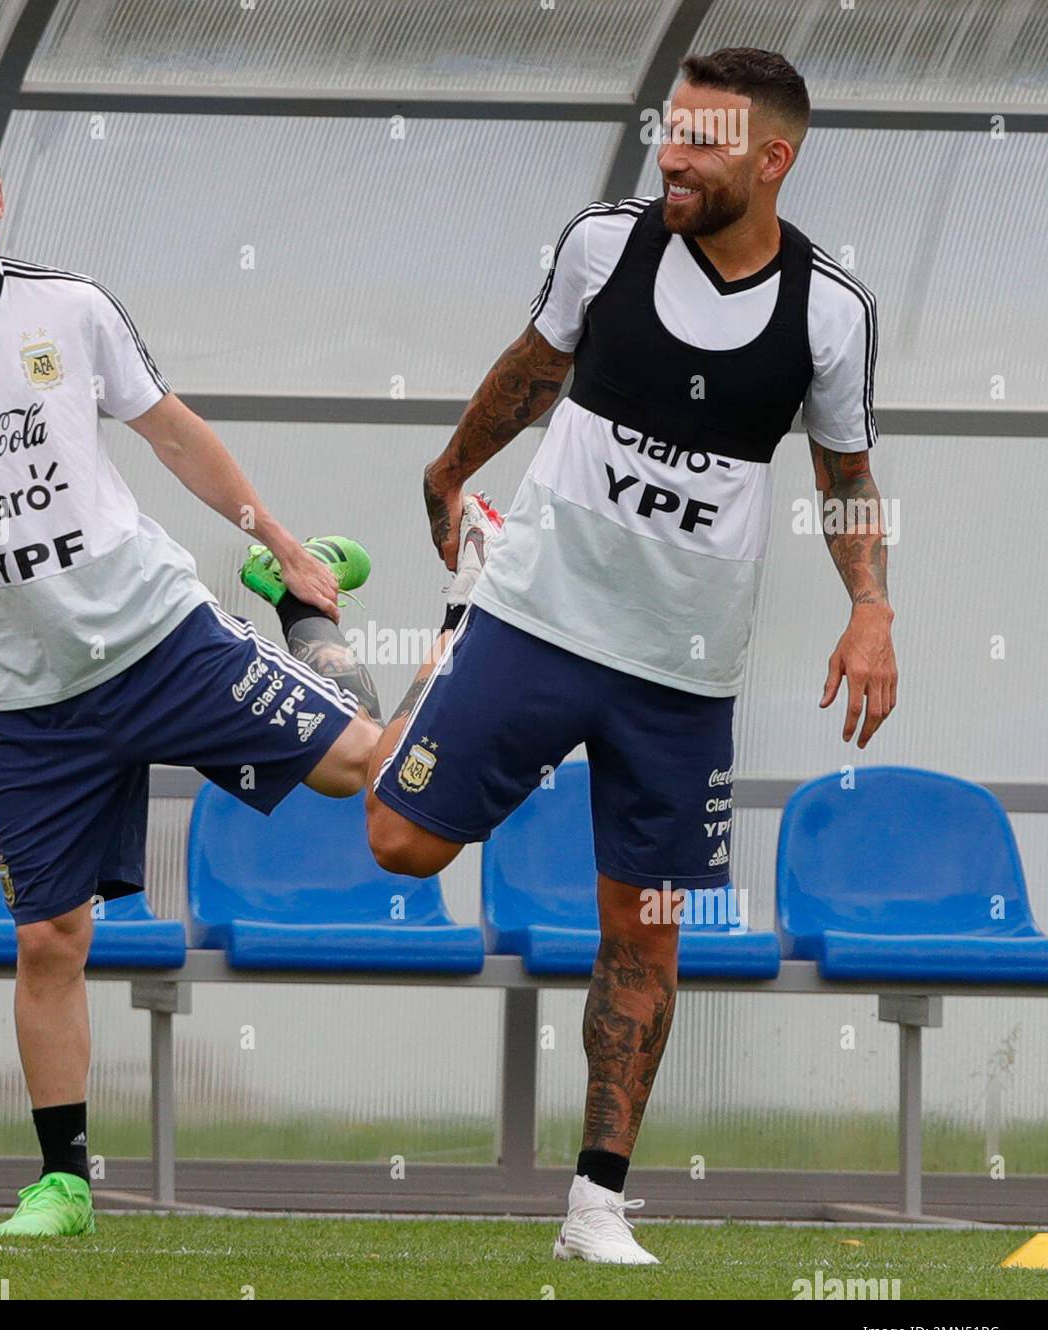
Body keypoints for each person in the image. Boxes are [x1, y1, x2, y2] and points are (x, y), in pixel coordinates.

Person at [0, 95, 384, 1237]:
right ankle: (64, 1181)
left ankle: (301, 612)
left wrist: (274, 540)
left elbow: (169, 430)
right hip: (24, 699)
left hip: (155, 633)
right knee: (48, 936)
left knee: (360, 767)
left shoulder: (69, 308)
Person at [358, 47, 897, 1263]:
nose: (670, 156)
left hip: (682, 670)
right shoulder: (605, 246)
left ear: (773, 158)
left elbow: (848, 479)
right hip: (538, 613)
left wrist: (873, 608)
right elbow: (532, 371)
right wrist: (450, 474)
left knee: (646, 925)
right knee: (399, 844)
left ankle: (595, 1203)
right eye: (668, 132)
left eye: (701, 140)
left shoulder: (830, 312)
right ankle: (453, 626)